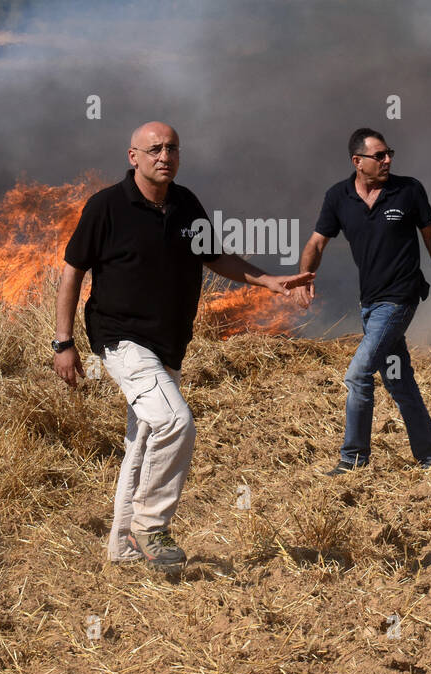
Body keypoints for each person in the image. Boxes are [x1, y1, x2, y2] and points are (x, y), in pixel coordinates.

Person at [53, 122, 312, 573]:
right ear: (133, 156)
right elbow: (72, 273)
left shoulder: (186, 204)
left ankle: (123, 549)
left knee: (145, 438)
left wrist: (269, 280)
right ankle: (152, 526)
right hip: (121, 339)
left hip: (169, 343)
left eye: (172, 148)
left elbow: (214, 256)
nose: (164, 156)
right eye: (154, 149)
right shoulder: (106, 207)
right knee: (176, 422)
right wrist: (63, 342)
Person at [295, 128, 431, 475]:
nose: (388, 160)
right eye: (379, 155)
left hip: (400, 298)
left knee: (358, 375)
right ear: (358, 162)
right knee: (399, 380)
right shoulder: (338, 197)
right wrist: (305, 276)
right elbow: (316, 243)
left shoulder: (408, 191)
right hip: (370, 303)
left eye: (389, 153)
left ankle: (352, 459)